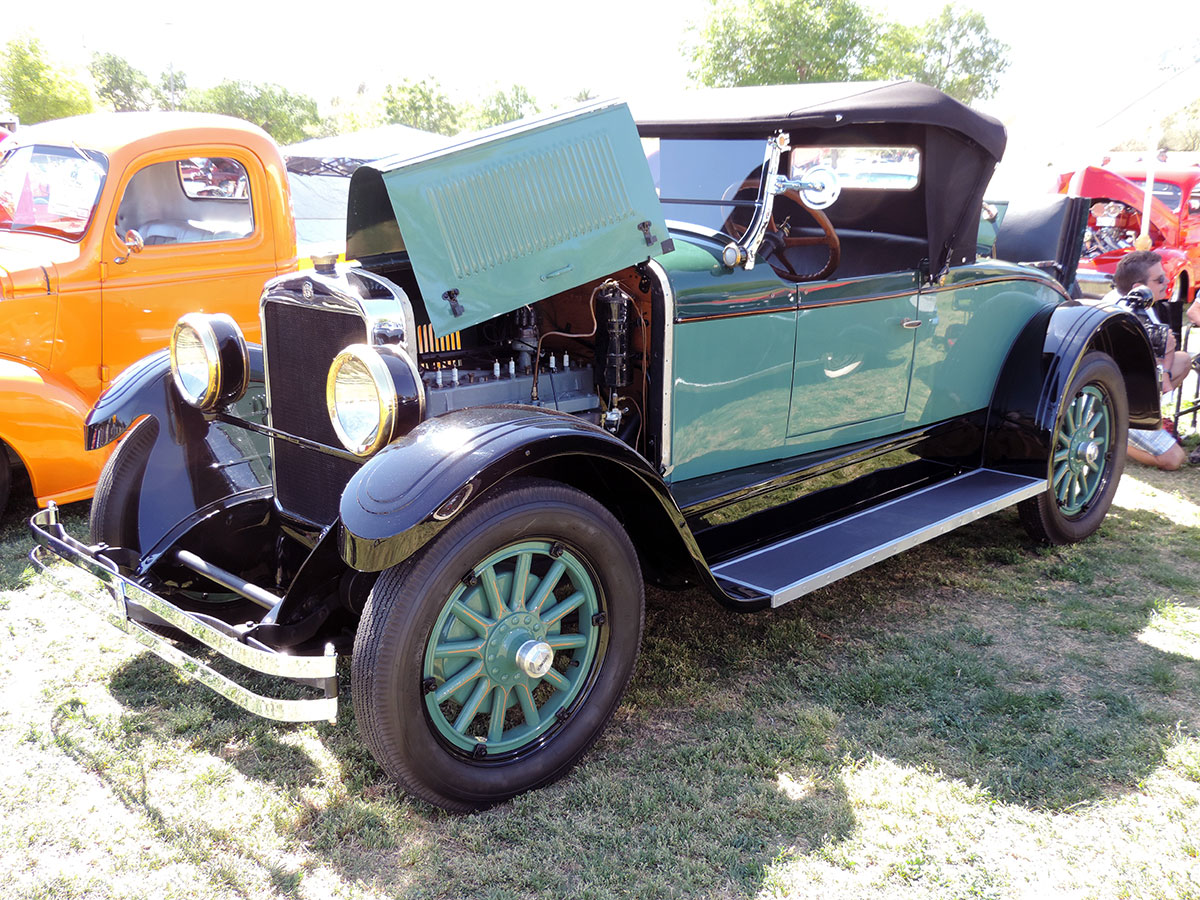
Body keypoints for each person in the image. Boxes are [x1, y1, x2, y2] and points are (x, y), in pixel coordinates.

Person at [1110, 251, 1189, 469]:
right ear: (1138, 288)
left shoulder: (1143, 306)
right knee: (1173, 459)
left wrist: (1167, 355)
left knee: (1183, 360)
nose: (1166, 283)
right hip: (1117, 399)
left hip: (1133, 389)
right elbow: (1155, 381)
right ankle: (1114, 435)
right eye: (1159, 279)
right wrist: (1164, 359)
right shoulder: (1125, 316)